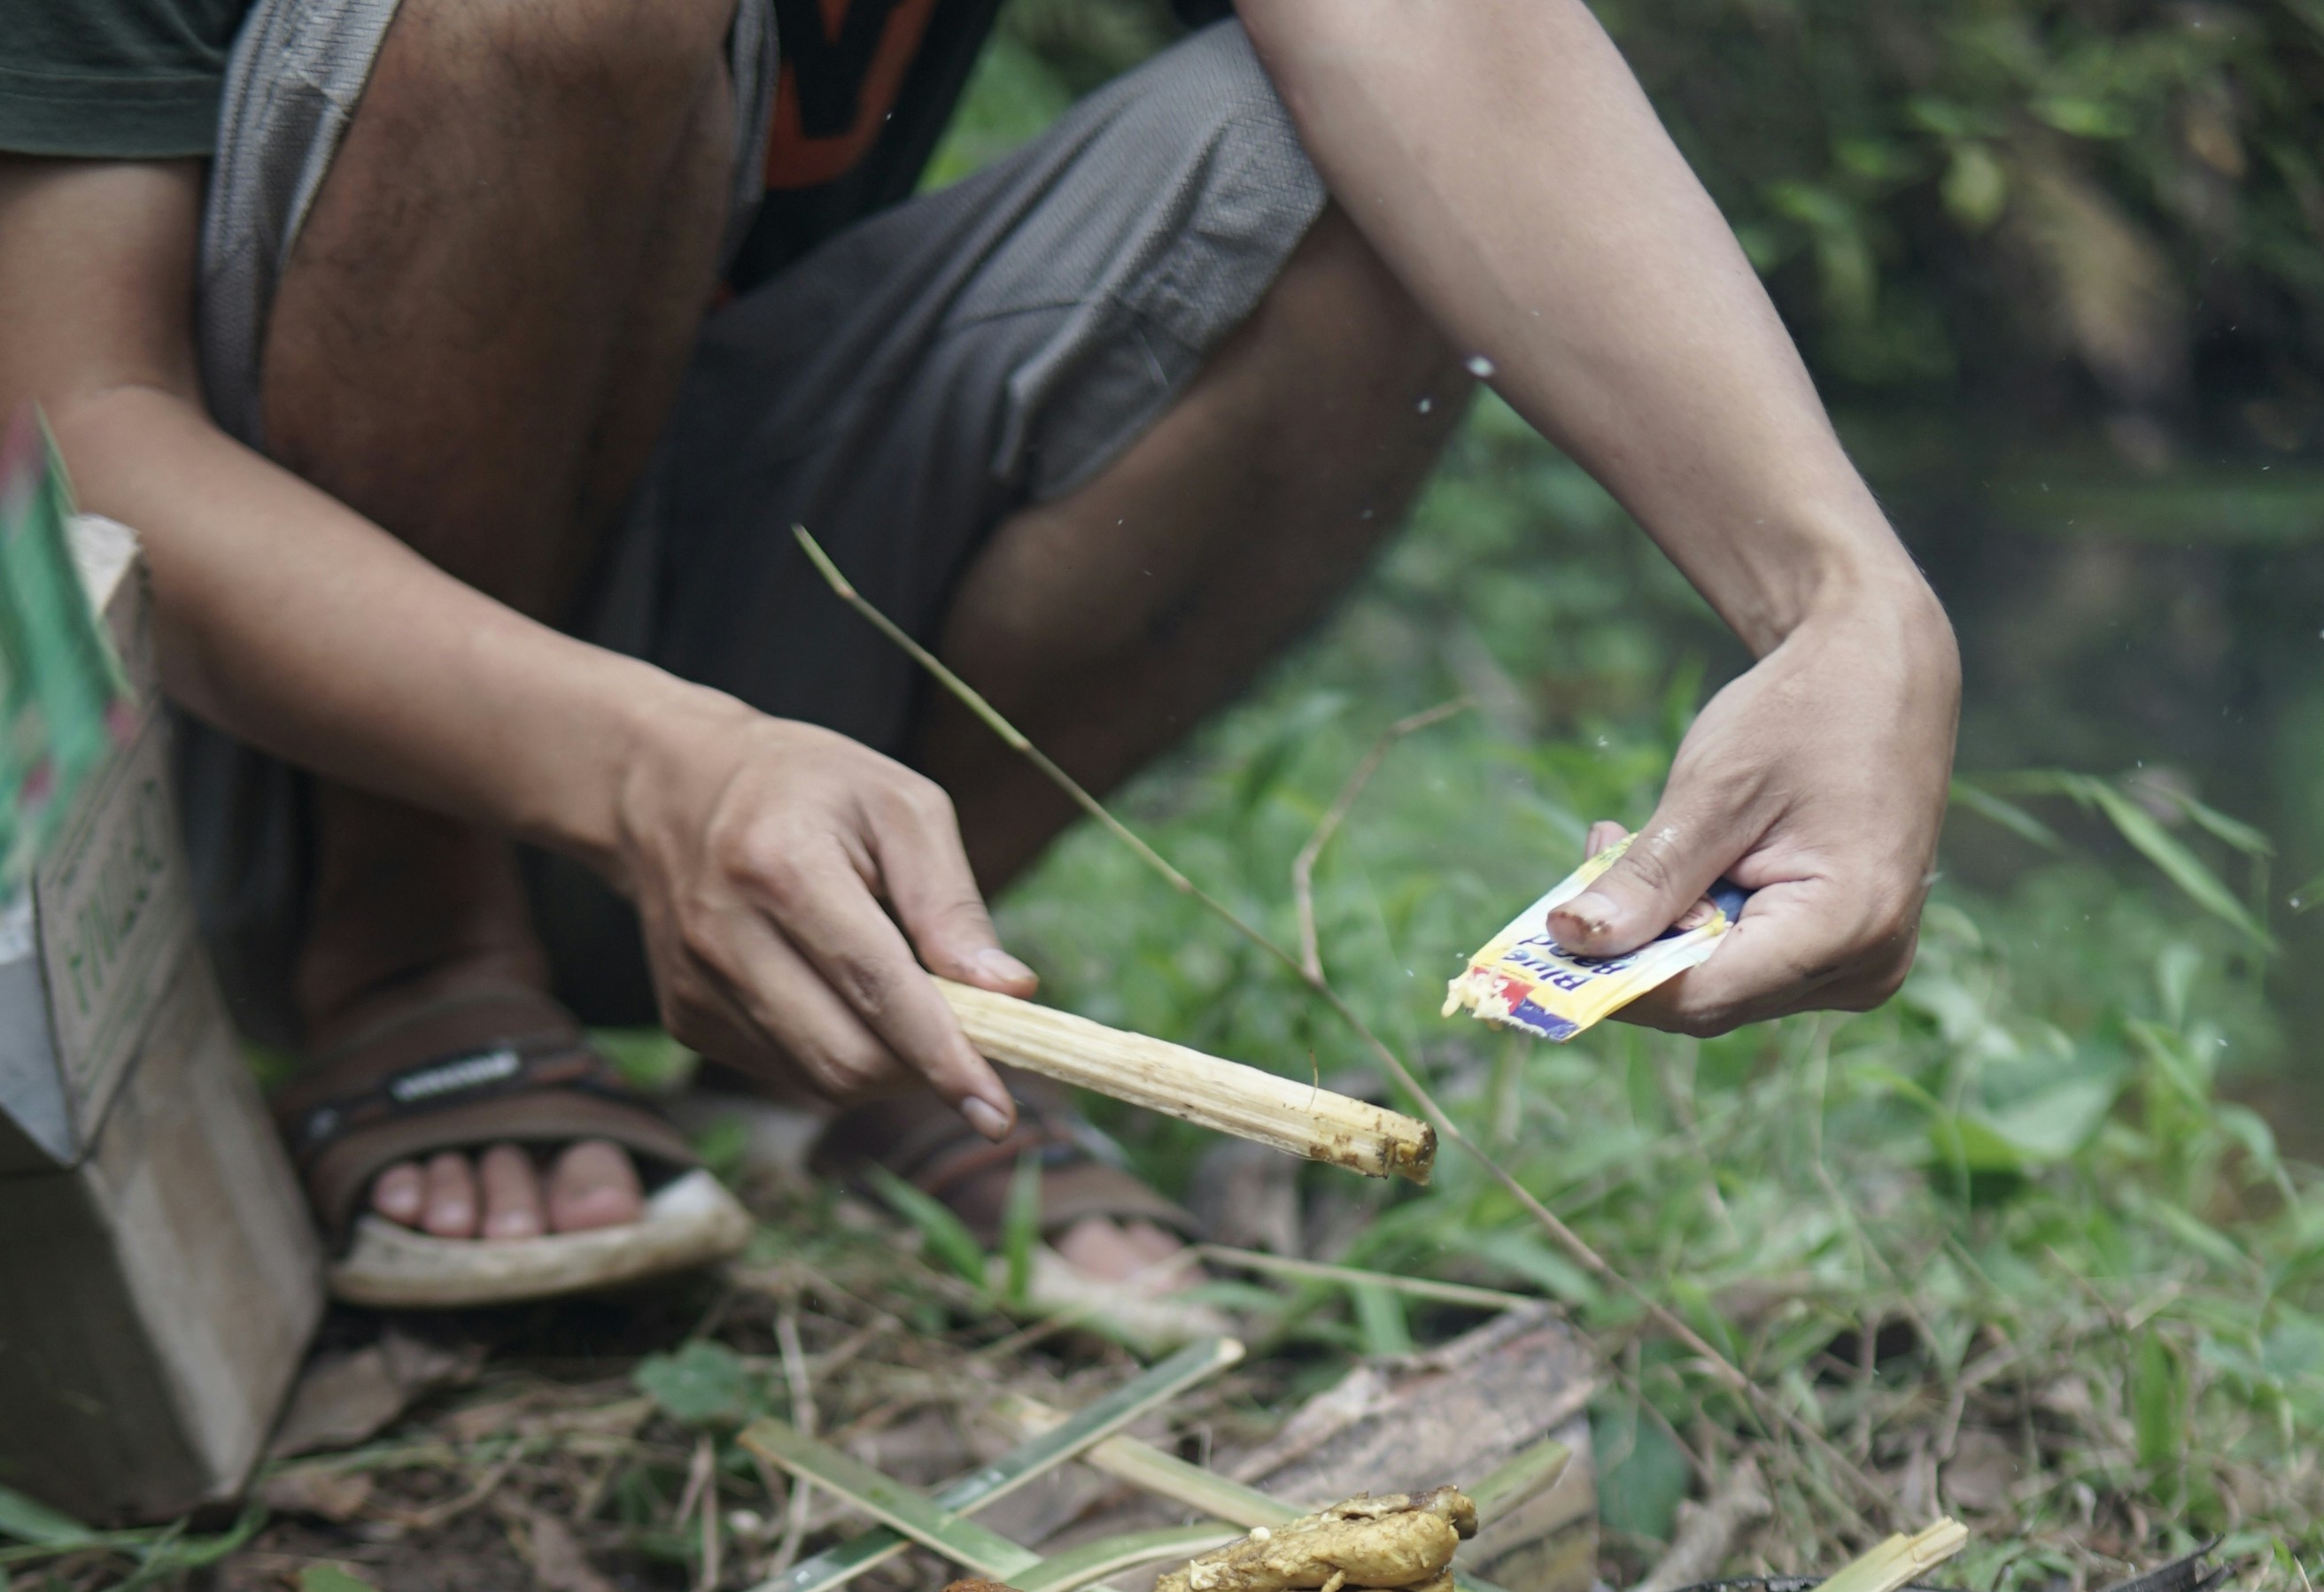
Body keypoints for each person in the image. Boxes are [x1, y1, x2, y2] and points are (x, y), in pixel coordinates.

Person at [0, 0, 1958, 1309]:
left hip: (678, 565)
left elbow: (1440, 43)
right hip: (154, 732)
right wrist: (633, 769)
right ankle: (415, 966)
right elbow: (62, 454)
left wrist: (1841, 599)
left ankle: (892, 981)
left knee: (1373, 190)